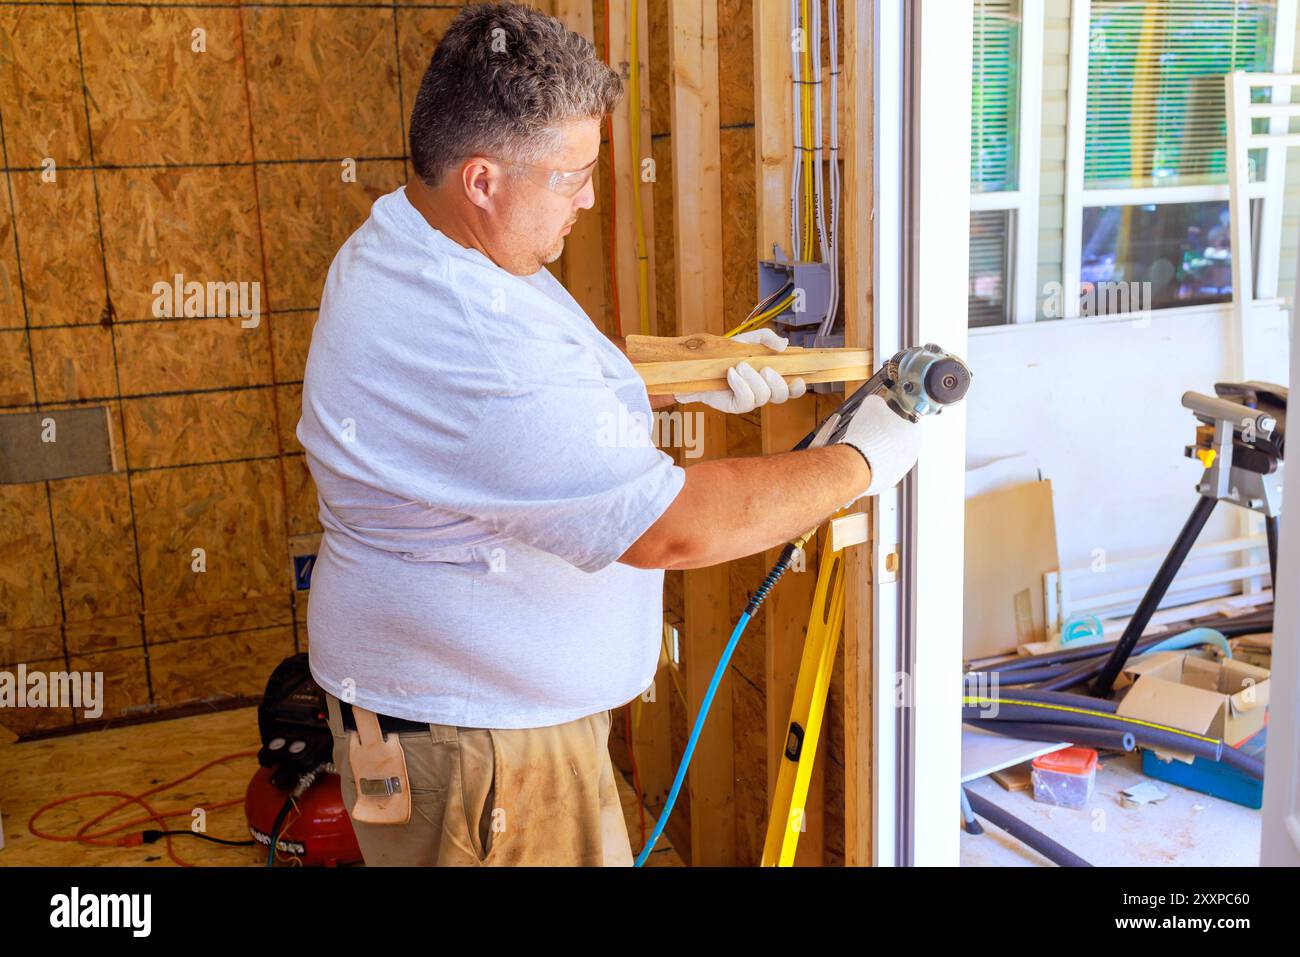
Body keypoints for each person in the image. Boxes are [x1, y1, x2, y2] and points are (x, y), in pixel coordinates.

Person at [297, 1, 923, 867]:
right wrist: (862, 459)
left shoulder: (418, 240)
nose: (590, 197)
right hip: (485, 761)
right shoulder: (466, 332)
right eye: (571, 174)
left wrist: (698, 380)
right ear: (482, 178)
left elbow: (537, 409)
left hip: (446, 727)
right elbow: (669, 526)